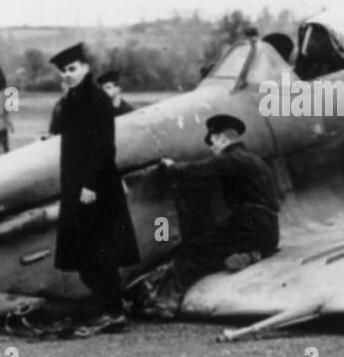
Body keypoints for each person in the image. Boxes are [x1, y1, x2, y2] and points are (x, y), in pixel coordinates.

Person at [142, 114, 281, 320]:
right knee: (217, 245)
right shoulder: (254, 160)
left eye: (213, 141)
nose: (211, 147)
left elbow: (199, 170)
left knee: (194, 249)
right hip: (270, 230)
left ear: (224, 139)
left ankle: (164, 304)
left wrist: (171, 167)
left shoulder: (232, 159)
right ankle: (251, 253)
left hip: (248, 222)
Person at [48, 43, 140, 331]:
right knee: (84, 253)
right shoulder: (75, 97)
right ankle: (110, 306)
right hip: (77, 184)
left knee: (99, 253)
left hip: (95, 187)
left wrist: (90, 184)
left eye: (73, 68)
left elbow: (104, 146)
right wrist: (65, 95)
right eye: (64, 71)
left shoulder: (96, 99)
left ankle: (113, 311)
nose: (69, 74)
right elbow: (59, 131)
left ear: (86, 68)